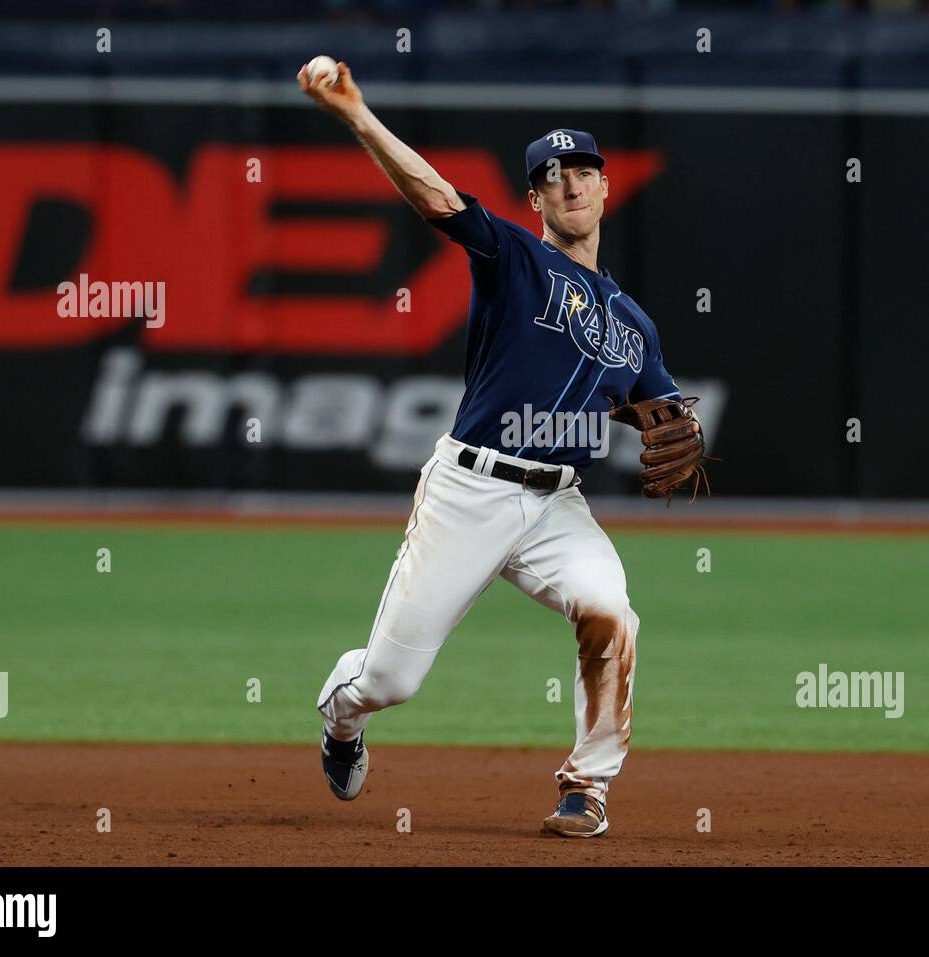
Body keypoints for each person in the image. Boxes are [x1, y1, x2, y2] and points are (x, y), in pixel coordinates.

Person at [299, 59, 702, 838]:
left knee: (611, 613)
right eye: (553, 178)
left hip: (556, 503)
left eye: (584, 171)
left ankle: (587, 786)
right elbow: (435, 197)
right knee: (389, 679)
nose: (571, 186)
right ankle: (340, 720)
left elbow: (659, 410)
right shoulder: (515, 259)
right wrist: (356, 113)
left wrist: (678, 427)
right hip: (469, 490)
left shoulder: (633, 323)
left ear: (606, 187)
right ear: (536, 197)